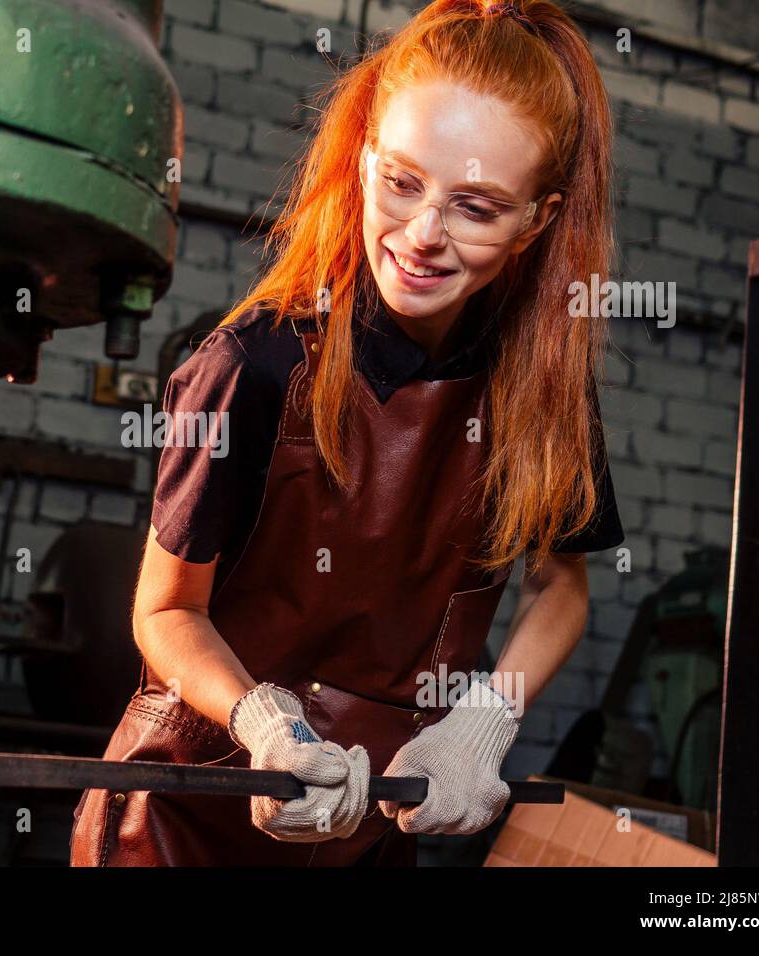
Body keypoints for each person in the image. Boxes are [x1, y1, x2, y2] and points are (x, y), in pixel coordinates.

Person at [70, 0, 624, 866]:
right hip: (188, 813)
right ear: (365, 157)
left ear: (537, 221)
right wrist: (265, 724)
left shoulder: (542, 395)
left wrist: (482, 722)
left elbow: (561, 590)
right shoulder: (252, 366)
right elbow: (165, 611)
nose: (422, 236)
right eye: (400, 182)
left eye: (476, 207)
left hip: (371, 826)